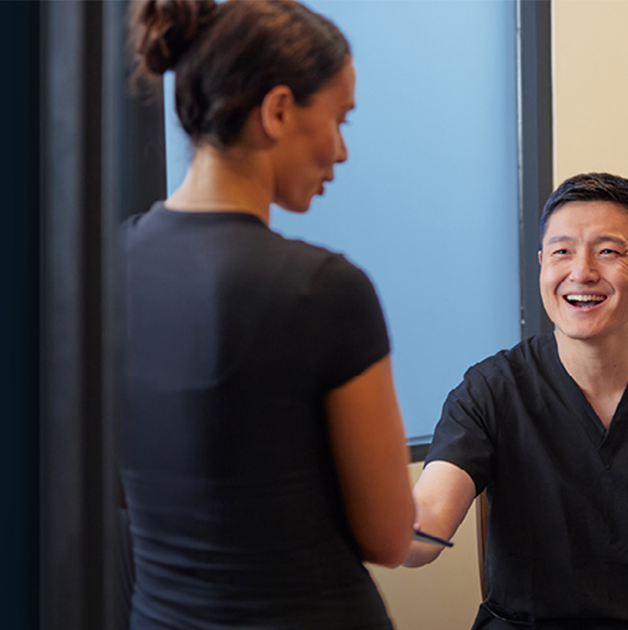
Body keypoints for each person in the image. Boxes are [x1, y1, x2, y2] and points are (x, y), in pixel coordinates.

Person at [120, 1, 414, 628]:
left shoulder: (111, 263)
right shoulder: (324, 290)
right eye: (338, 120)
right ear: (278, 110)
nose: (341, 151)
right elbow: (389, 536)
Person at [406, 172, 628, 629]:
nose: (582, 272)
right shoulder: (491, 391)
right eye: (562, 252)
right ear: (542, 266)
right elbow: (426, 526)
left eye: (608, 251)